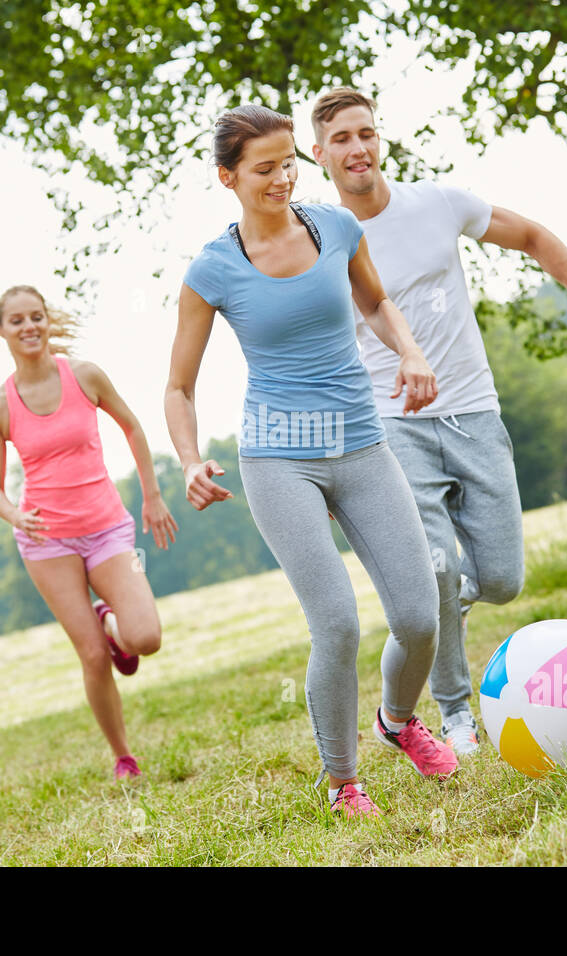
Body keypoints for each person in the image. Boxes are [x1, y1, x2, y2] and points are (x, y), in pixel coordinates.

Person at [310, 88, 567, 754]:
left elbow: (533, 235)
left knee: (500, 579)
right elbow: (314, 350)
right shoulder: (318, 240)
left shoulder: (436, 205)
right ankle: (454, 711)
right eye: (341, 139)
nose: (358, 148)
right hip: (389, 425)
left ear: (381, 140)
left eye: (366, 133)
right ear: (318, 154)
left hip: (474, 412)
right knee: (430, 568)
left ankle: (444, 611)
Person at [165, 105, 458, 819]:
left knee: (421, 616)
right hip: (278, 458)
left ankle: (396, 718)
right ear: (228, 176)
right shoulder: (213, 269)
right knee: (336, 624)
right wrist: (190, 460)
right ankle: (342, 781)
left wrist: (411, 351)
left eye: (290, 162)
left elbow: (378, 303)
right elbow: (178, 385)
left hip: (360, 442)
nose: (283, 178)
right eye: (264, 169)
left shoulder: (336, 227)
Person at [0, 285, 176, 779]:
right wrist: (14, 516)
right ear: (0, 330)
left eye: (36, 317)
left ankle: (110, 619)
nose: (29, 327)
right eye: (17, 320)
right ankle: (123, 757)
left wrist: (152, 496)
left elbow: (132, 426)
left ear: (48, 321)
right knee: (91, 655)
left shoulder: (85, 375)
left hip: (107, 527)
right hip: (46, 542)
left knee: (145, 637)